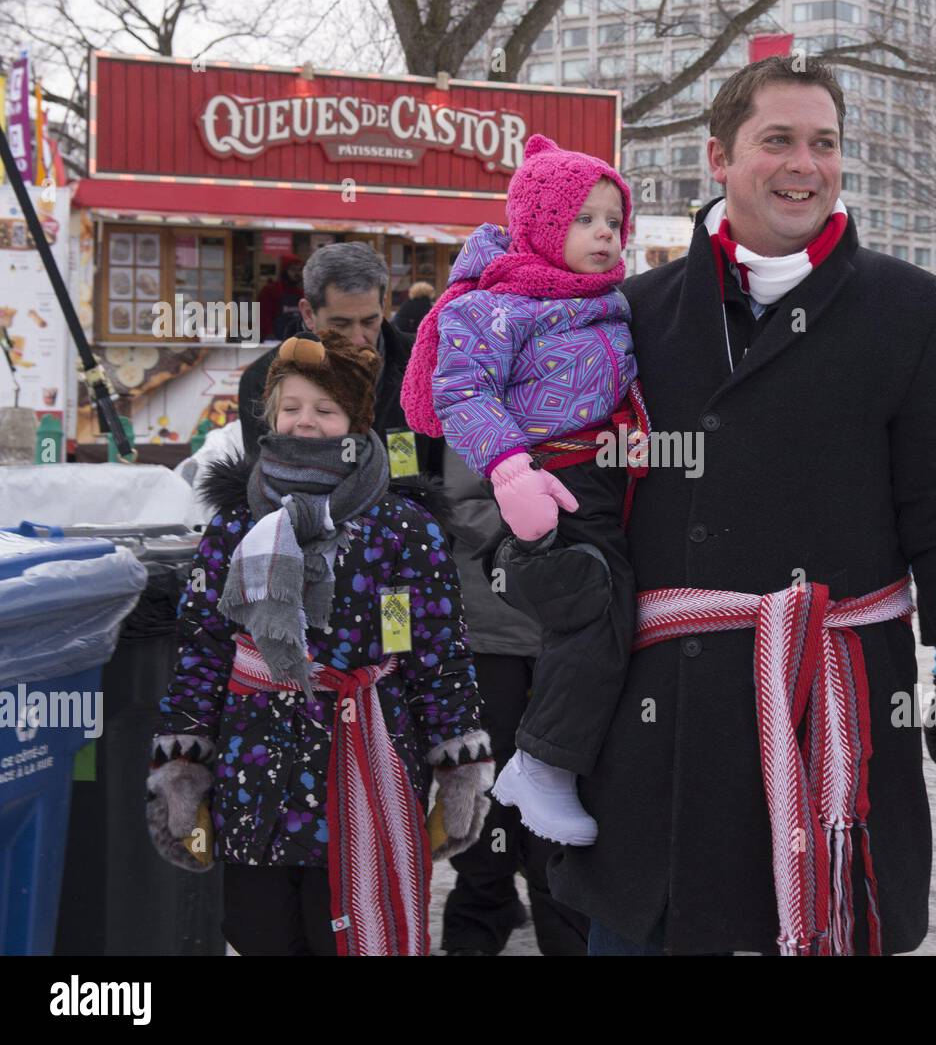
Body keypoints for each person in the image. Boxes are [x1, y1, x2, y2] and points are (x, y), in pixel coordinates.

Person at [544, 55, 936, 956]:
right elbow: (585, 504)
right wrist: (553, 564)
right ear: (718, 158)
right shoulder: (628, 314)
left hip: (838, 711)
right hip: (662, 733)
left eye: (825, 144)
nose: (803, 164)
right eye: (777, 140)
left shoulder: (913, 313)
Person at [145, 331, 493, 955]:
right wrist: (182, 768)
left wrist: (459, 767)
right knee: (259, 933)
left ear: (355, 424)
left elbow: (438, 652)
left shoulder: (400, 528)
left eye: (324, 409)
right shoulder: (235, 524)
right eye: (292, 407)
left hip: (368, 757)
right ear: (270, 416)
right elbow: (202, 649)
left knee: (349, 932)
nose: (305, 421)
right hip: (255, 771)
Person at [402, 134, 646, 848]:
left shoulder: (606, 300)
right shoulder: (497, 305)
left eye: (612, 220)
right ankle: (541, 762)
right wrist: (510, 472)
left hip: (607, 473)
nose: (604, 233)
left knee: (618, 611)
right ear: (540, 223)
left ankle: (560, 759)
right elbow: (462, 389)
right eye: (584, 218)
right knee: (595, 610)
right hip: (550, 478)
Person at [438, 444, 590, 956]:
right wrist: (557, 531)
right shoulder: (480, 405)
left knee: (563, 783)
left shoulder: (590, 390)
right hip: (493, 630)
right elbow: (464, 505)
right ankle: (483, 908)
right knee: (491, 780)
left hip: (573, 632)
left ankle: (561, 917)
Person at [239, 241, 435, 474]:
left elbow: (452, 485)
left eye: (370, 321)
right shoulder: (262, 379)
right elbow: (266, 483)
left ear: (383, 305)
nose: (358, 338)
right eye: (340, 324)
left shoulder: (427, 364)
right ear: (309, 314)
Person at [256, 254, 304, 341]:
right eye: (293, 269)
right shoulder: (269, 291)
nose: (297, 274)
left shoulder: (301, 293)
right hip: (273, 341)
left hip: (295, 341)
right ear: (284, 271)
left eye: (300, 270)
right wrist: (269, 337)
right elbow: (263, 317)